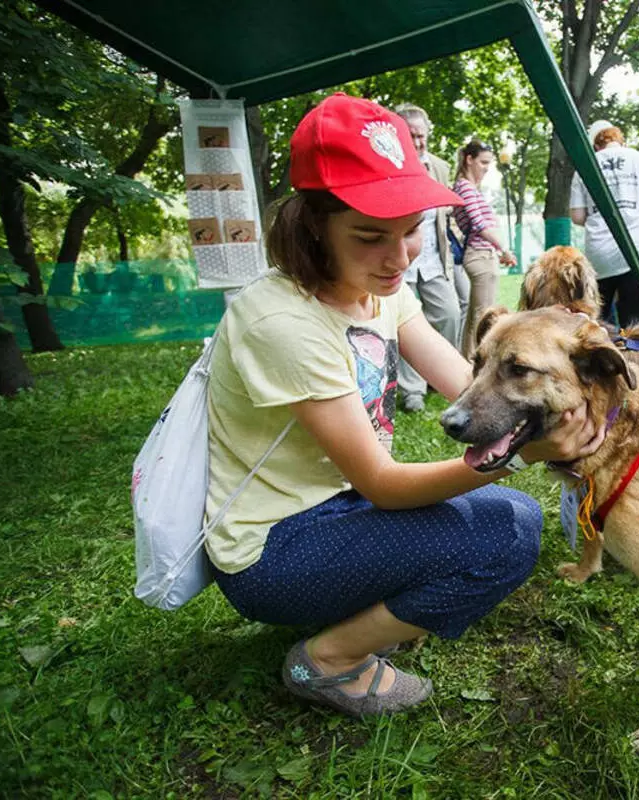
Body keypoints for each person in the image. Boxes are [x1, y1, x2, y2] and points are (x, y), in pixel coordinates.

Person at [204, 94, 605, 717]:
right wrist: (523, 455)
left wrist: (552, 399)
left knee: (511, 515)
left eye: (412, 230)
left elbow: (463, 387)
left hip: (340, 508)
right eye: (370, 236)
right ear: (313, 223)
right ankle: (329, 658)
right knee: (507, 534)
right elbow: (385, 485)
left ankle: (373, 607)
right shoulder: (281, 321)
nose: (399, 259)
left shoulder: (377, 289)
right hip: (275, 551)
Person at [392, 104, 461, 412]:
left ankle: (439, 376)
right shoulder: (389, 166)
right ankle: (412, 390)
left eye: (422, 135)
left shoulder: (440, 168)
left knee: (449, 313)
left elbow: (445, 216)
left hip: (433, 257)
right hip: (400, 258)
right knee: (403, 322)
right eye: (411, 135)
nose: (418, 142)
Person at [570, 121, 639, 326]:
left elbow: (577, 216)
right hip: (637, 249)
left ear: (596, 146)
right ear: (621, 141)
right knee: (634, 322)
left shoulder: (585, 166)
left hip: (599, 255)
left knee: (599, 320)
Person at [452, 140, 516, 359]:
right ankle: (475, 362)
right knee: (483, 315)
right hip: (479, 256)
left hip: (484, 255)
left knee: (476, 315)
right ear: (469, 160)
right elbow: (479, 224)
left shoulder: (470, 188)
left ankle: (470, 360)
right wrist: (504, 249)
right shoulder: (465, 187)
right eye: (483, 162)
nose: (487, 168)